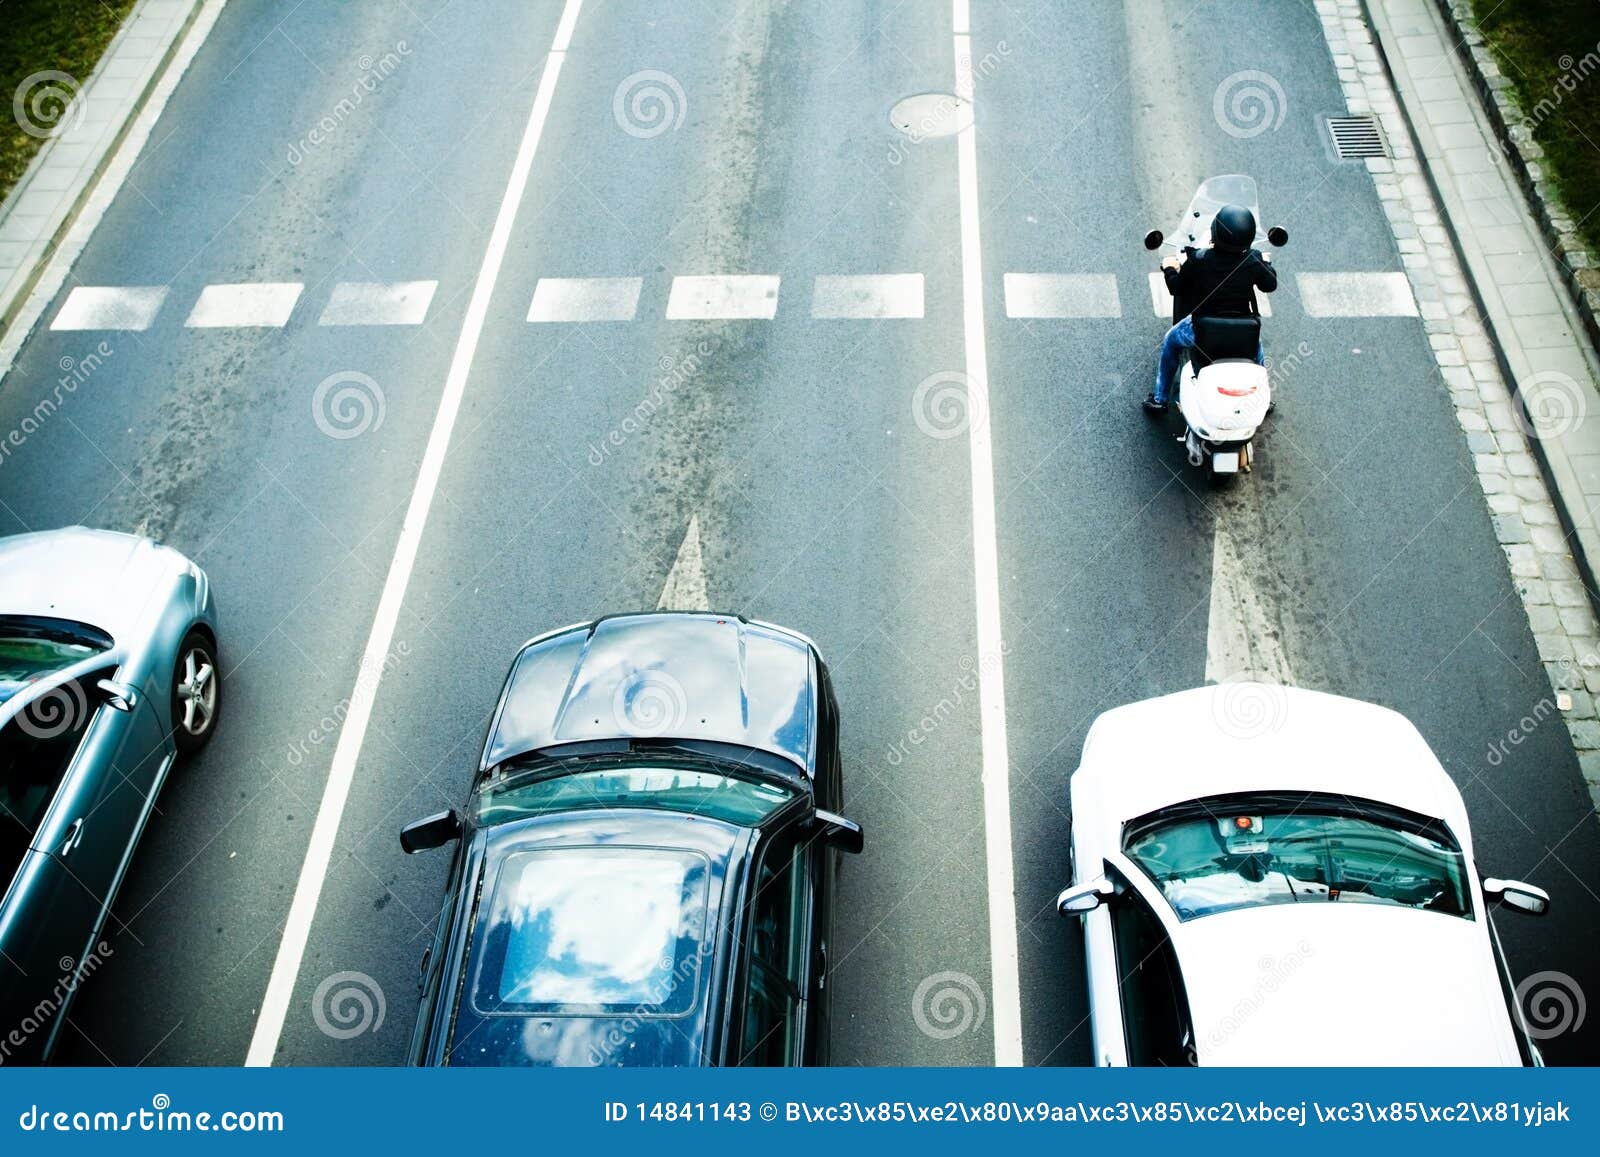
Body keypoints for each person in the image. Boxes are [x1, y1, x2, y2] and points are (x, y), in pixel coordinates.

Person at [1144, 203, 1277, 413]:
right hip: (1243, 330)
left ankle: (1160, 400)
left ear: (1215, 232)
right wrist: (1265, 264)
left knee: (1170, 341)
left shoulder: (1199, 260)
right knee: (1257, 348)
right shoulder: (1253, 260)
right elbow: (1270, 285)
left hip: (1202, 329)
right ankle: (1263, 399)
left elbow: (1176, 288)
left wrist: (1169, 269)